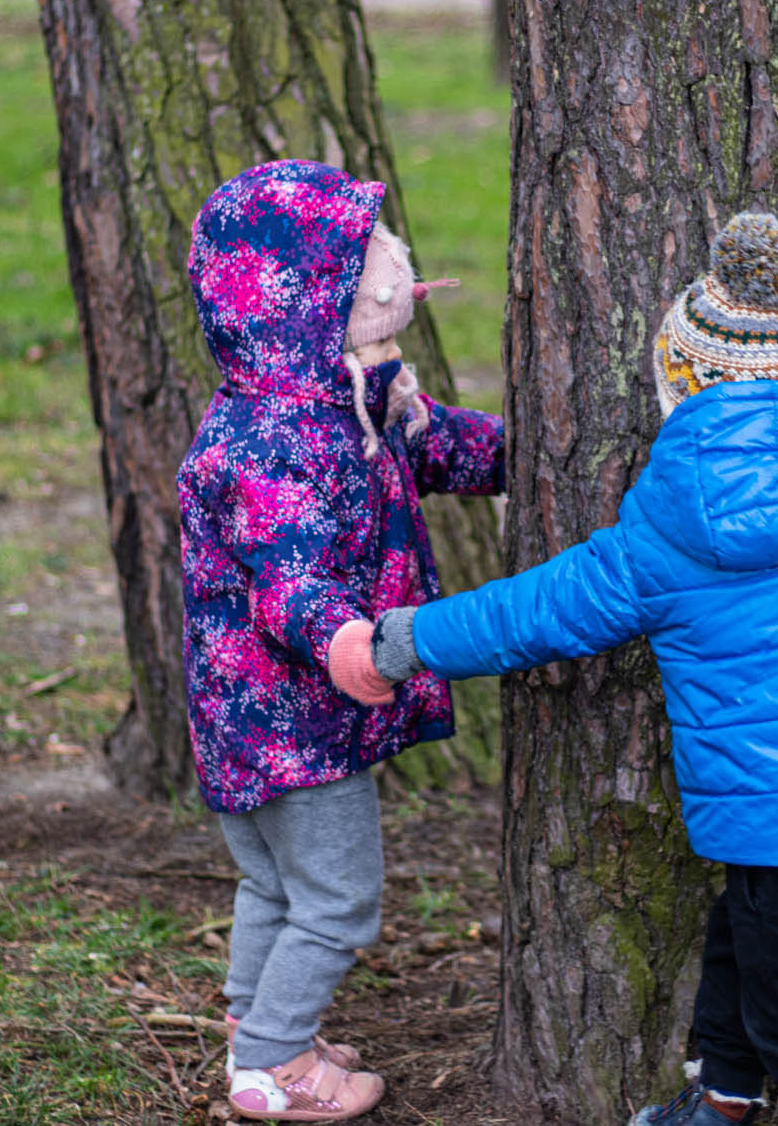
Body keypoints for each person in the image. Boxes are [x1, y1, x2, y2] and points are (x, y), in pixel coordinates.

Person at [328, 213, 778, 1126]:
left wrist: (412, 638)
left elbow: (537, 610)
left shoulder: (663, 527)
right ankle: (724, 1100)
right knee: (741, 937)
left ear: (680, 382)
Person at [178, 160, 505, 1121]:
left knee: (274, 883)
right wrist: (347, 641)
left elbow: (430, 445)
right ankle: (274, 1065)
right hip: (289, 724)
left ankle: (257, 1028)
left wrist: (522, 450)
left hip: (250, 721)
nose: (399, 276)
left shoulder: (338, 398)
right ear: (303, 306)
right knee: (338, 897)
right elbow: (290, 582)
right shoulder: (275, 443)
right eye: (368, 269)